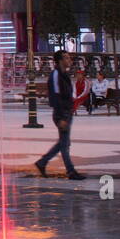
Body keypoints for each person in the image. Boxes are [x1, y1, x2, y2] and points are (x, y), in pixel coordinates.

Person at [36, 50, 86, 181]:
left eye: (69, 58)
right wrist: (62, 117)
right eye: (67, 58)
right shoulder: (56, 75)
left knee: (64, 142)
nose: (69, 60)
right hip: (61, 112)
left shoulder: (64, 74)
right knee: (64, 144)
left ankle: (42, 162)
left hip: (66, 111)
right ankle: (70, 171)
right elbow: (55, 96)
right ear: (60, 61)